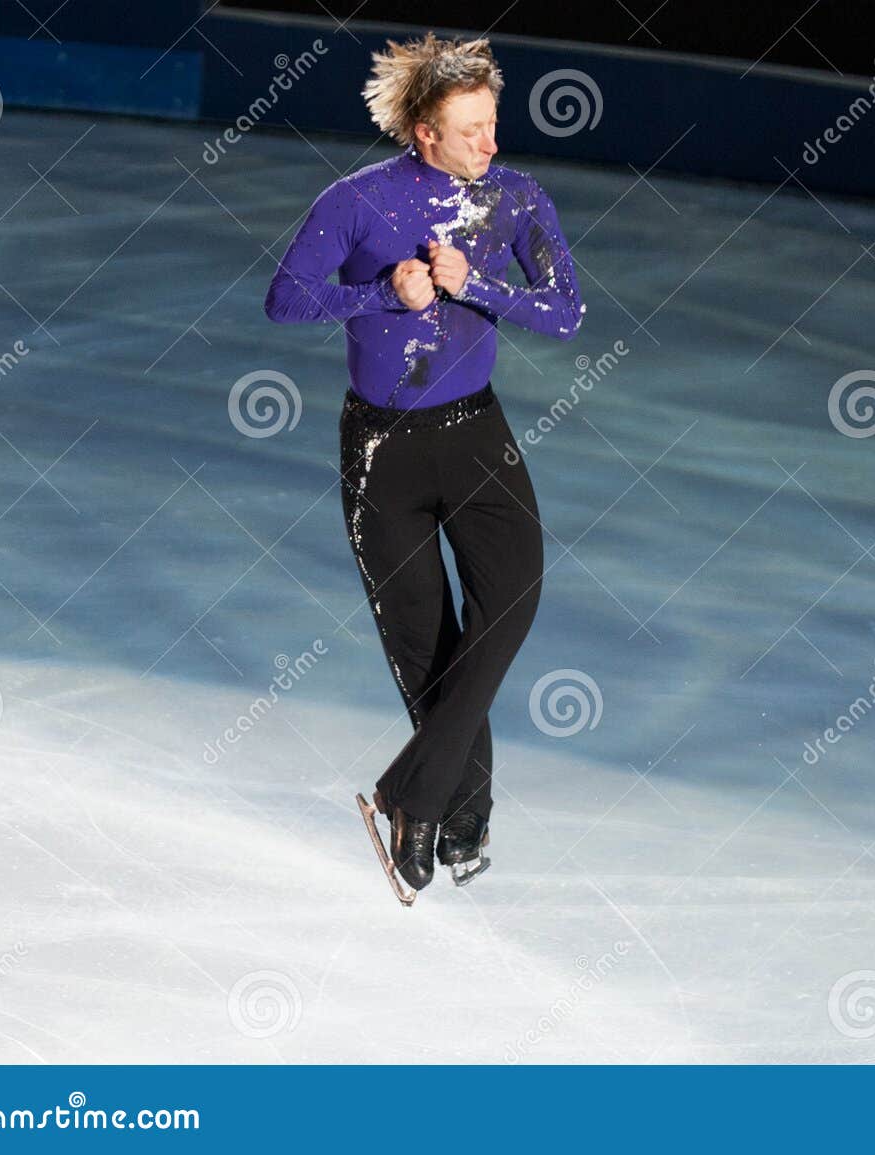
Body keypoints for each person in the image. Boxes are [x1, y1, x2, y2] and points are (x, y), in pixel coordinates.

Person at [263, 33, 584, 895]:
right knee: (425, 648)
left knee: (511, 597)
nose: (491, 143)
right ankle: (457, 814)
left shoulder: (514, 198)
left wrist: (478, 282)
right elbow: (285, 296)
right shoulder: (356, 202)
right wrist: (379, 293)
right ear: (422, 135)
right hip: (382, 455)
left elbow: (566, 313)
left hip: (476, 436)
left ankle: (413, 793)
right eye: (470, 129)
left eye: (493, 123)